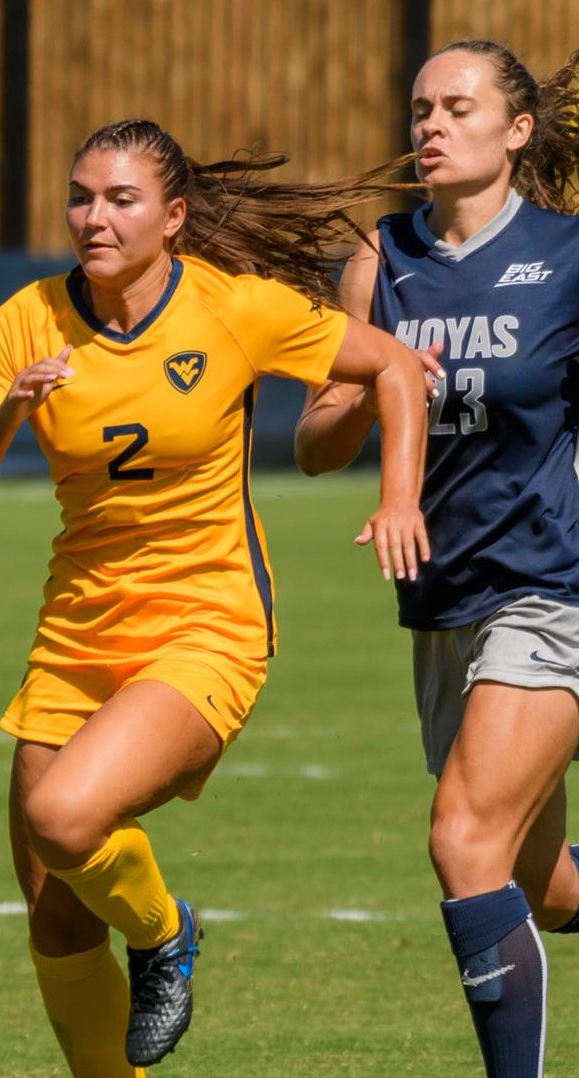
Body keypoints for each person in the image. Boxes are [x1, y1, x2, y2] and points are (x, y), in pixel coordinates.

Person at [0, 118, 433, 1074]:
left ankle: (166, 933)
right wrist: (3, 419)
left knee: (63, 819)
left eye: (120, 200)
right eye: (80, 197)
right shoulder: (25, 320)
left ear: (172, 218)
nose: (93, 218)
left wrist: (399, 495)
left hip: (205, 625)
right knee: (57, 920)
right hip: (74, 635)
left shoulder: (231, 308)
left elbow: (393, 365)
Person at [295, 40, 579, 1078]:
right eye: (420, 109)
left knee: (461, 839)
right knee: (537, 882)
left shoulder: (568, 256)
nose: (429, 126)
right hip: (443, 600)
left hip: (553, 587)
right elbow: (314, 443)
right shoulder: (380, 260)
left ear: (516, 132)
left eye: (457, 108)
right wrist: (382, 382)